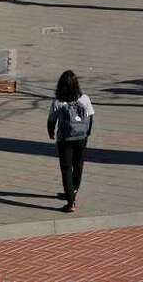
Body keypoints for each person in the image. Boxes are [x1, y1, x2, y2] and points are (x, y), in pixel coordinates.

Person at [47, 70, 95, 213]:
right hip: (81, 137)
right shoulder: (84, 98)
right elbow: (90, 117)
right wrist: (87, 133)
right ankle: (73, 190)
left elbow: (51, 120)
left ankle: (70, 202)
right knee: (78, 165)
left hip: (65, 139)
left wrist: (51, 132)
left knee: (66, 168)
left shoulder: (58, 102)